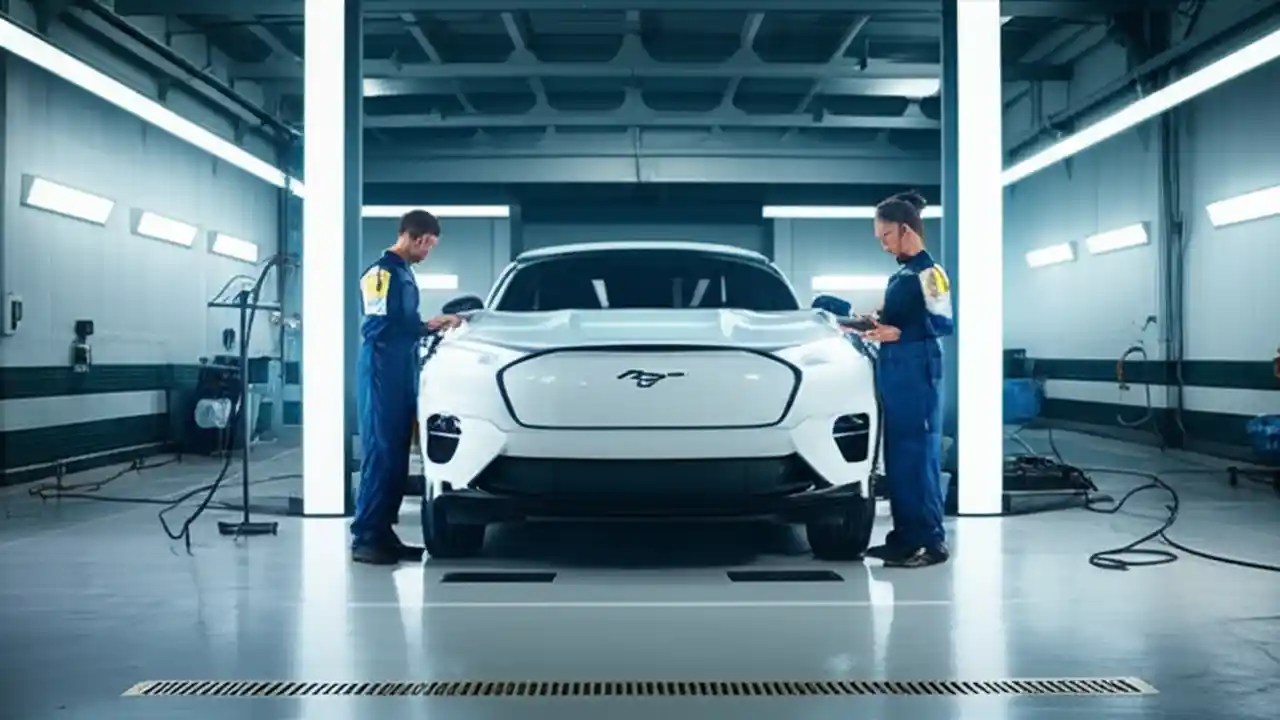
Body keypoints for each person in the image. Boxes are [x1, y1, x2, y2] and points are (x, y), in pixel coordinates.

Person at [351, 209, 464, 565]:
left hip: (399, 370)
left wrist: (428, 327)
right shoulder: (382, 274)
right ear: (415, 237)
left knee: (397, 455)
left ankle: (384, 533)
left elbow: (400, 324)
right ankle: (366, 537)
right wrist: (426, 327)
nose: (428, 252)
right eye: (428, 245)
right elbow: (380, 328)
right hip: (382, 370)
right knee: (382, 453)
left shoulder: (402, 274)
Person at [857, 191, 953, 568]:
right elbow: (902, 316)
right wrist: (877, 322)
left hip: (919, 376)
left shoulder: (931, 274)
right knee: (898, 461)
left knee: (920, 461)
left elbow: (944, 322)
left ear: (906, 230)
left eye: (886, 237)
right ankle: (903, 539)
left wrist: (900, 333)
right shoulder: (902, 274)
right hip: (898, 377)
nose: (882, 245)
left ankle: (930, 543)